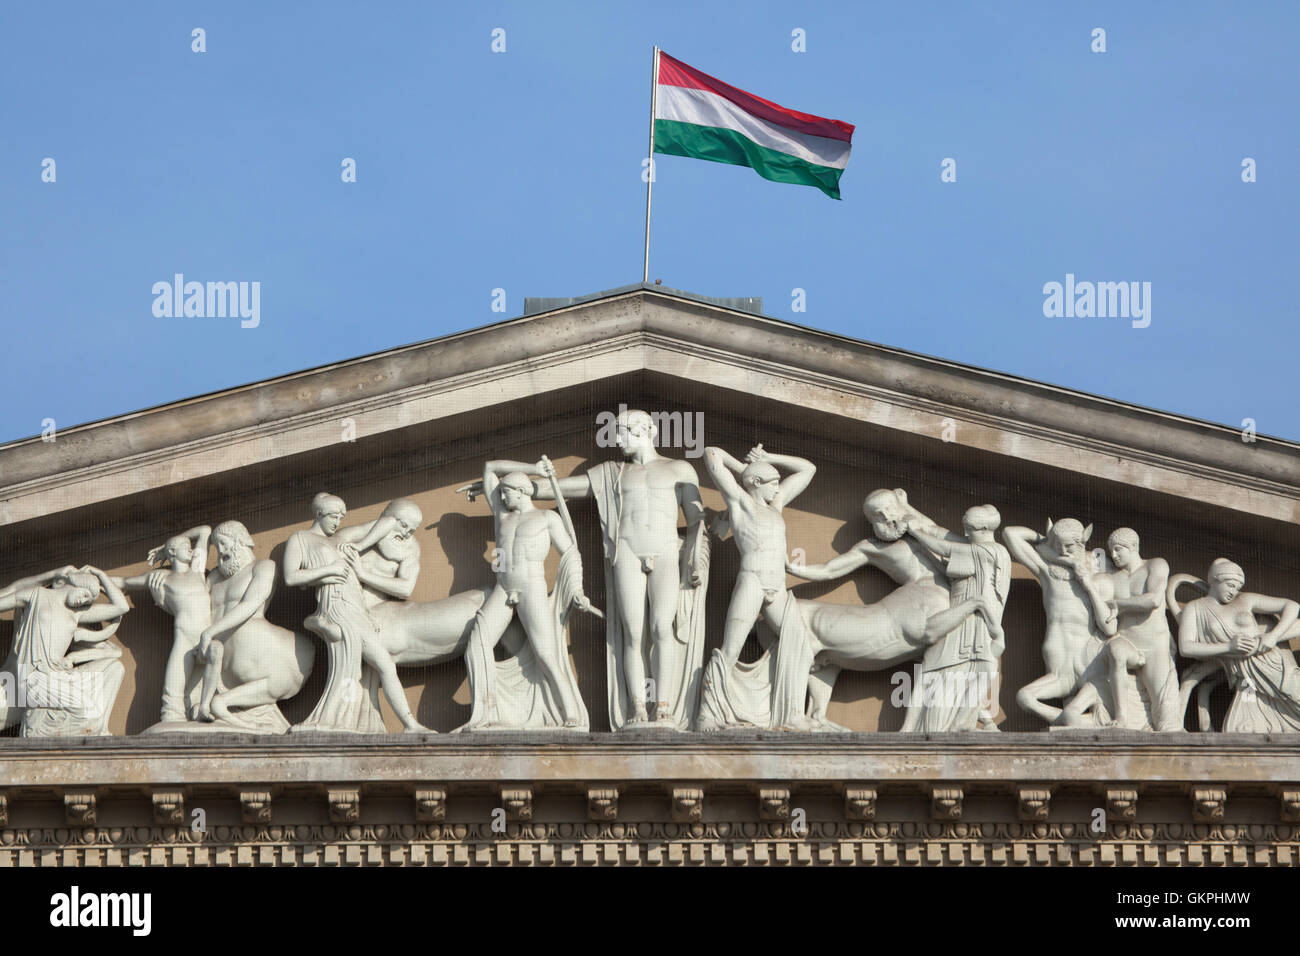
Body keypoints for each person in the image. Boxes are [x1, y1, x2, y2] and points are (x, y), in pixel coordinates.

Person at [458, 461, 590, 730]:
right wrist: (534, 468)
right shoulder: (502, 516)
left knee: (545, 653)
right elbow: (489, 467)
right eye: (502, 492)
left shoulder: (547, 519)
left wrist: (575, 588)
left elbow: (570, 553)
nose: (501, 497)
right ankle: (486, 713)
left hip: (531, 588)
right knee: (477, 643)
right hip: (504, 588)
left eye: (507, 492)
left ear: (521, 491)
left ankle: (570, 710)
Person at [0, 566, 127, 737]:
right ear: (74, 583)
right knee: (87, 707)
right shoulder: (36, 595)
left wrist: (101, 575)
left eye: (88, 601)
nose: (84, 601)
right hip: (35, 678)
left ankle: (60, 730)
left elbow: (121, 607)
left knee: (114, 668)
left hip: (60, 675)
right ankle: (41, 732)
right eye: (85, 594)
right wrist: (51, 575)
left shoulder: (76, 614)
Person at [111, 525, 211, 722]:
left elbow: (205, 531)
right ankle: (174, 719)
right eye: (185, 545)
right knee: (172, 695)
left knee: (202, 687)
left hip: (208, 636)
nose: (191, 549)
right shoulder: (161, 577)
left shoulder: (197, 570)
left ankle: (199, 711)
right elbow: (124, 582)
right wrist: (96, 578)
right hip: (184, 638)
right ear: (174, 552)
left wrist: (163, 546)